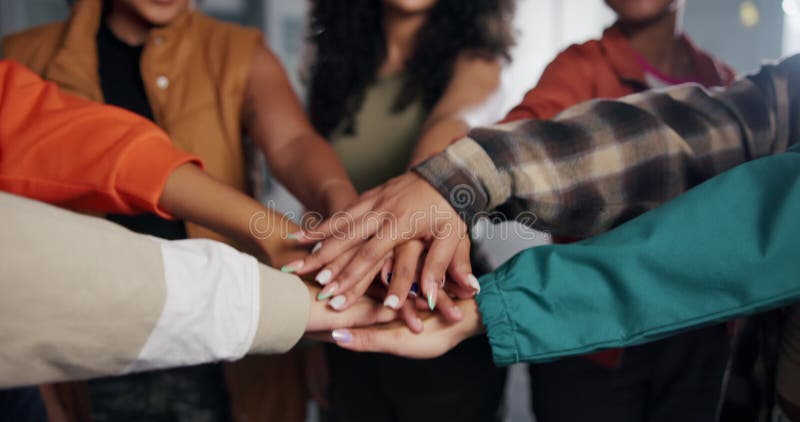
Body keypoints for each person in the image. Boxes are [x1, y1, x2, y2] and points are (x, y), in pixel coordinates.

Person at [297, 53, 800, 419]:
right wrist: (458, 182)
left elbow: (754, 232)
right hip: (579, 339)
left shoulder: (712, 69)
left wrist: (446, 185)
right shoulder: (583, 66)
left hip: (688, 344)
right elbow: (704, 137)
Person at [2, 0, 358, 420]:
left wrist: (342, 211)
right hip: (91, 351)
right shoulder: (24, 55)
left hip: (231, 345)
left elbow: (293, 144)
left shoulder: (236, 49)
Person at [498, 0, 735, 418]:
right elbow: (512, 145)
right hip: (594, 336)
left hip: (696, 333)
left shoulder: (720, 82)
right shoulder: (579, 67)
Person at [300, 0, 514, 419]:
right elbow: (318, 197)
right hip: (347, 302)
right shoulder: (336, 71)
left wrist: (420, 196)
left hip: (439, 304)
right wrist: (311, 332)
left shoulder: (476, 62)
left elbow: (453, 121)